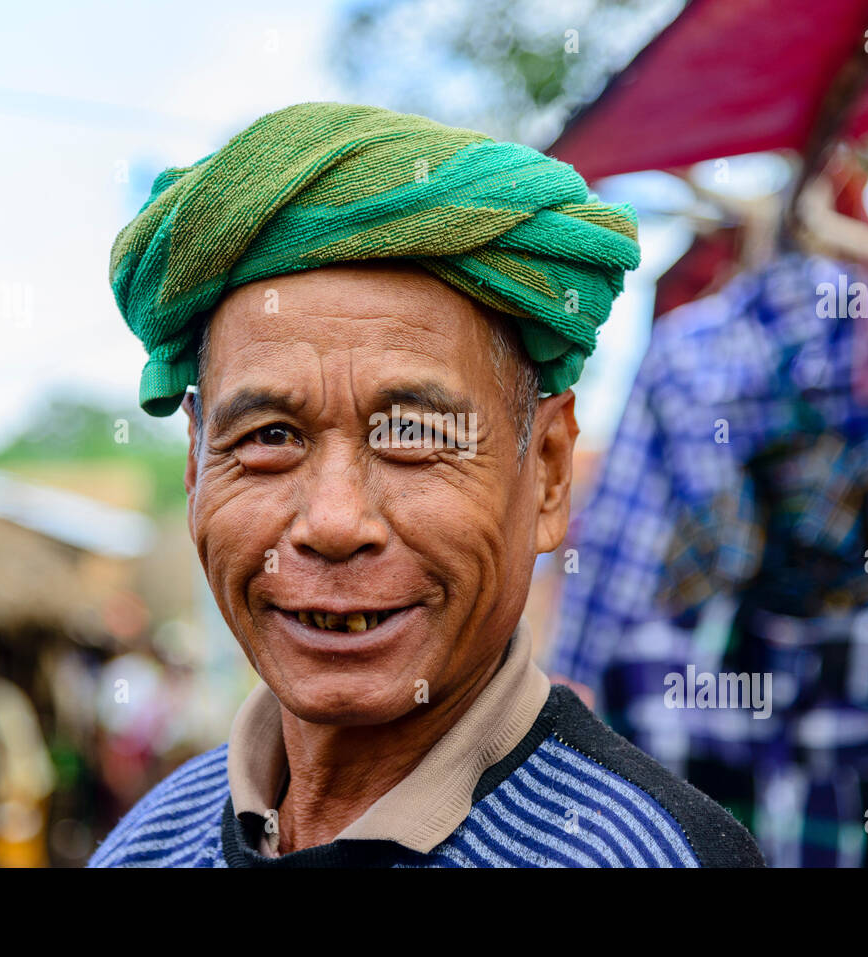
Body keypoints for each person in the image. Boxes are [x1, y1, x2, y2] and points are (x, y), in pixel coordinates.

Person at [89, 102, 764, 867]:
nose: (335, 522)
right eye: (269, 437)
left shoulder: (657, 856)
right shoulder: (143, 847)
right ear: (194, 466)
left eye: (413, 435)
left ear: (545, 473)